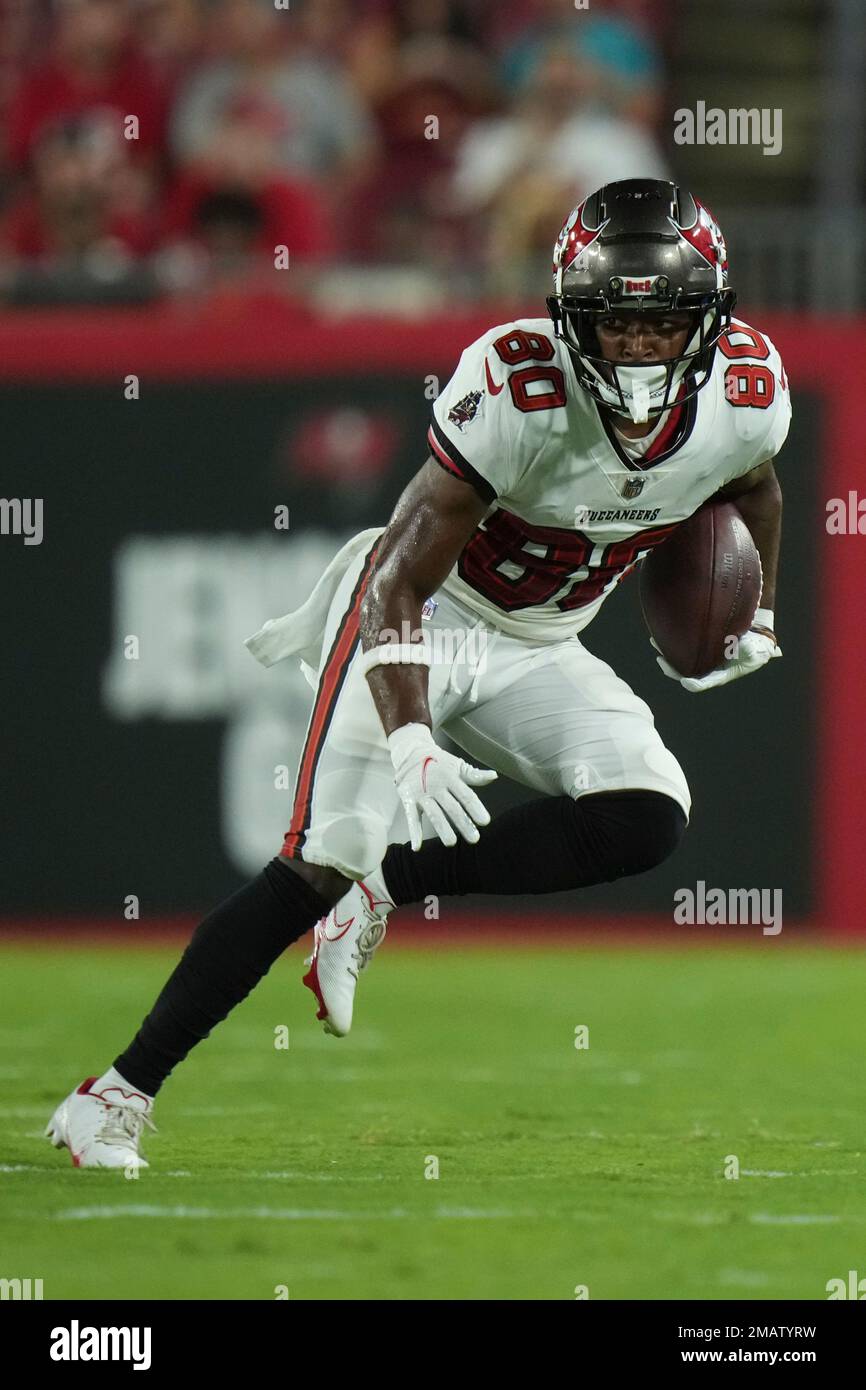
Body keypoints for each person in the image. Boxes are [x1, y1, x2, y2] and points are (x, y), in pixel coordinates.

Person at [45, 179, 790, 1168]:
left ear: (708, 320)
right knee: (316, 858)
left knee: (646, 811)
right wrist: (409, 739)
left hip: (540, 640)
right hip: (422, 617)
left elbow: (754, 486)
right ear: (570, 319)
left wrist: (757, 610)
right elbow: (399, 575)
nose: (643, 345)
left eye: (664, 322)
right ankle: (114, 1095)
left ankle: (387, 885)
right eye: (618, 324)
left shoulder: (744, 396)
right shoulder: (514, 386)